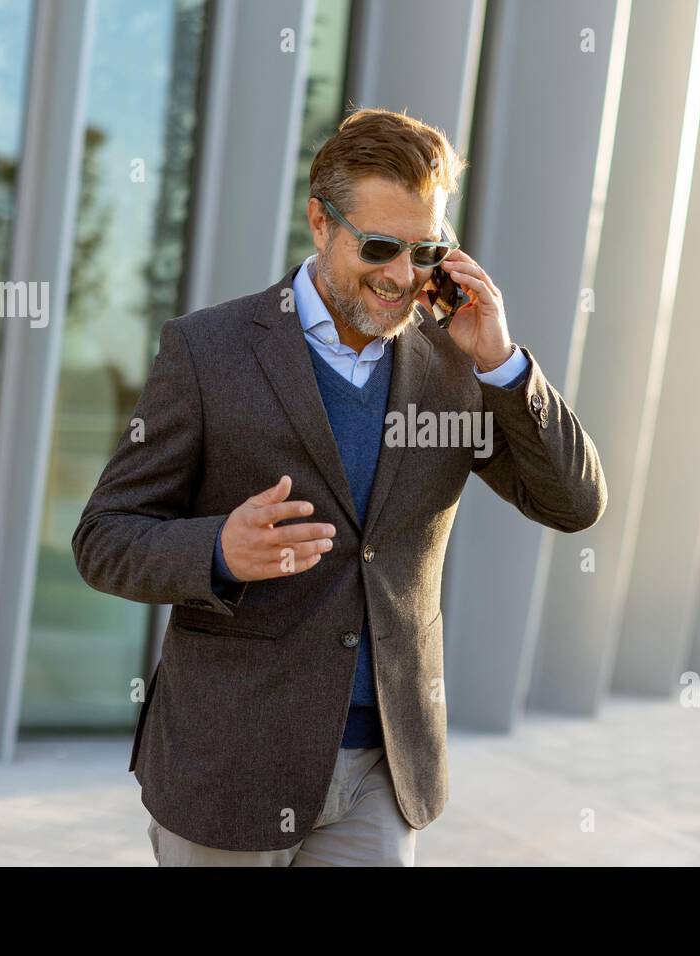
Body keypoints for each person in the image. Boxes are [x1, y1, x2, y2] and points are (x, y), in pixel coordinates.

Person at [72, 107, 606, 866]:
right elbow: (104, 538)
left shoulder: (459, 363)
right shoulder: (207, 351)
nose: (401, 275)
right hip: (230, 768)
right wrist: (218, 548)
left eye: (426, 250)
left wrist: (503, 364)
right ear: (320, 223)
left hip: (384, 772)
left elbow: (574, 503)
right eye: (380, 246)